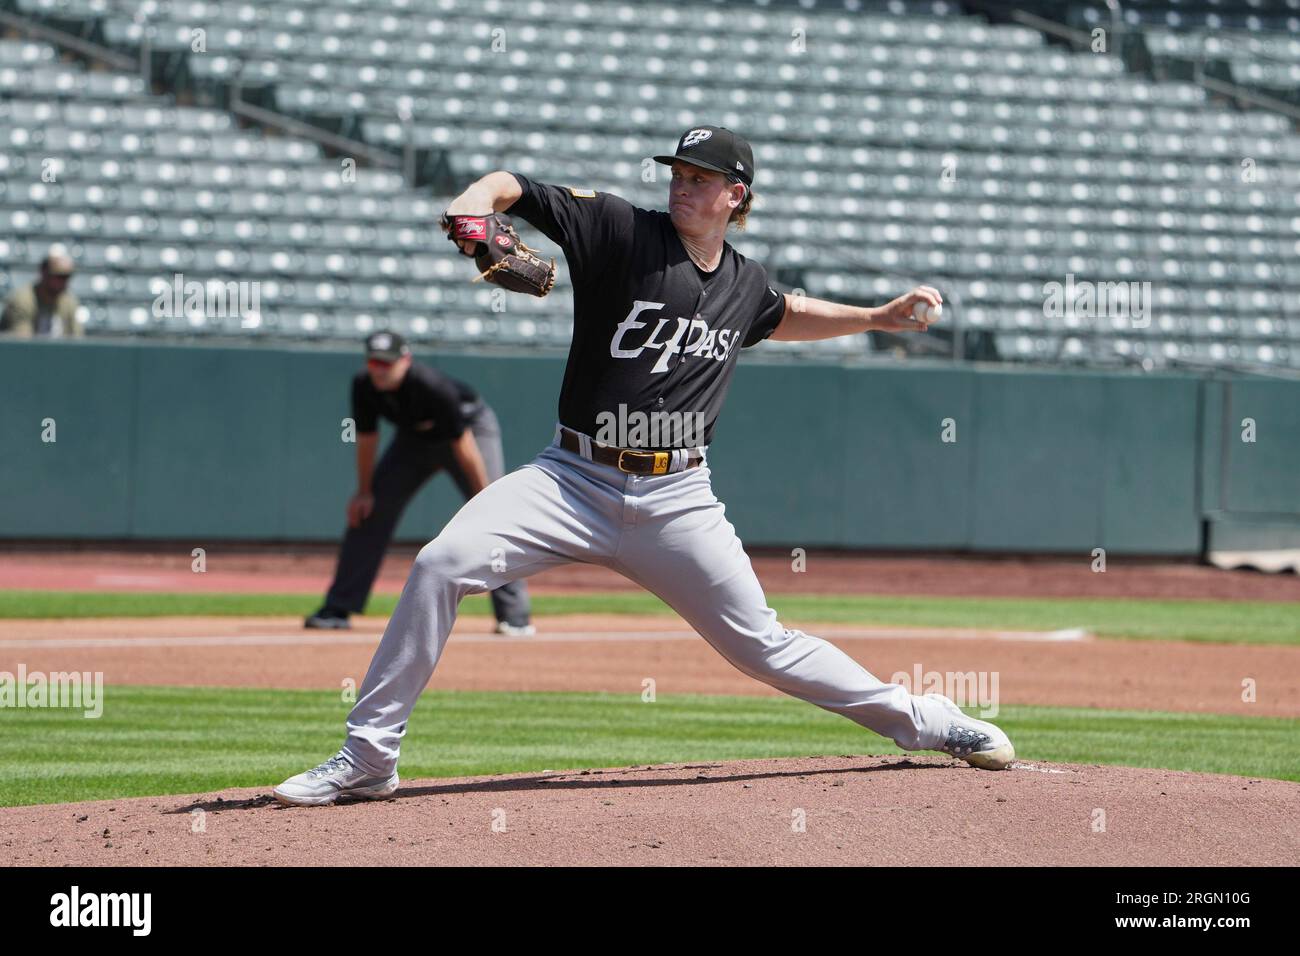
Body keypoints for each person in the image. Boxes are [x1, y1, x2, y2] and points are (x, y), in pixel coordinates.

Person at [274, 125, 1013, 807]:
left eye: (702, 177)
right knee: (441, 565)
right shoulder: (621, 230)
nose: (683, 185)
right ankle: (370, 756)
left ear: (736, 196)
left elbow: (788, 314)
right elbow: (512, 186)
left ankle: (925, 718)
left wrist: (878, 318)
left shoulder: (745, 284)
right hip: (570, 479)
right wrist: (472, 205)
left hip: (678, 499)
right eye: (679, 172)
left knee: (762, 646)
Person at [305, 330, 534, 636]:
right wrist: (364, 491)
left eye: (387, 362)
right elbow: (367, 439)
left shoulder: (431, 386)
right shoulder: (363, 385)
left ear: (406, 360)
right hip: (413, 441)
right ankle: (337, 608)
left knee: (493, 520)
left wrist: (484, 497)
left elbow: (463, 445)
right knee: (369, 512)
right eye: (374, 362)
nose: (380, 369)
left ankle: (514, 616)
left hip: (470, 430)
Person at [1, 248, 83, 338]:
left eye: (66, 277)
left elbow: (77, 340)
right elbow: (22, 345)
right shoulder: (23, 300)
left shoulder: (69, 303)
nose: (62, 282)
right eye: (58, 277)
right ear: (44, 273)